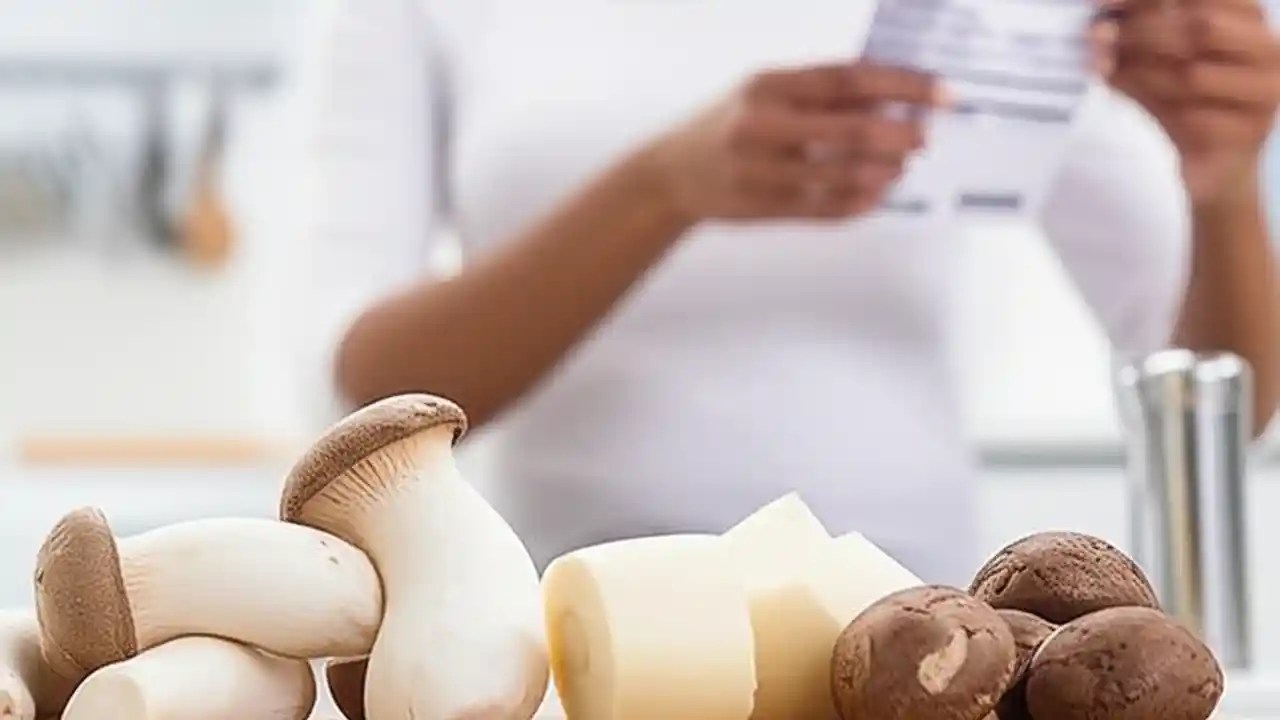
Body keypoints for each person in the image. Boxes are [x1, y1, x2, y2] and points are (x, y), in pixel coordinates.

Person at [289, 0, 1280, 584]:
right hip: (564, 648)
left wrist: (1224, 188)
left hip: (917, 641)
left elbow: (1225, 408)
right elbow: (364, 394)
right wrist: (660, 192)